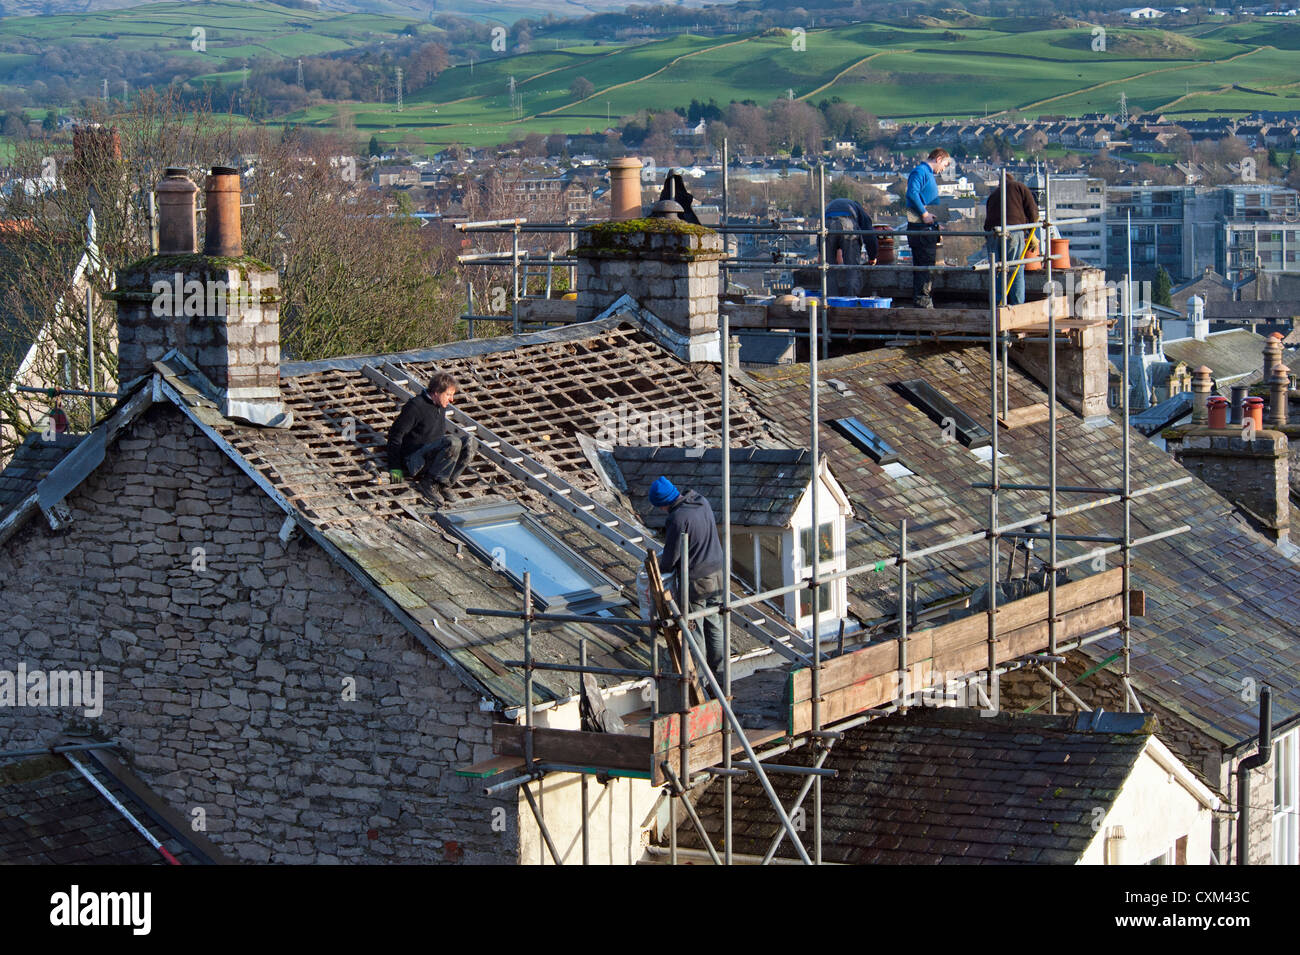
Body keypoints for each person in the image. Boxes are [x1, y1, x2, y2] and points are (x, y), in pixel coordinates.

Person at [650, 476, 725, 683]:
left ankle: (698, 680)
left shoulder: (677, 518)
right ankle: (719, 677)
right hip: (718, 572)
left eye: (659, 507)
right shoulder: (701, 501)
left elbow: (670, 559)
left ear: (663, 503)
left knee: (696, 629)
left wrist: (659, 565)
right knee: (715, 623)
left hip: (697, 579)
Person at [386, 372, 478, 502]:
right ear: (436, 392)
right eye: (448, 395)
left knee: (470, 443)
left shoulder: (441, 405)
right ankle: (428, 484)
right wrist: (395, 471)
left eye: (452, 395)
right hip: (414, 461)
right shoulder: (415, 406)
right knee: (453, 442)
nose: (451, 399)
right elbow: (395, 437)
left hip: (432, 456)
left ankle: (443, 485)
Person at [905, 148, 952, 308]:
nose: (943, 169)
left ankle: (924, 303)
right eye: (945, 165)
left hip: (926, 229)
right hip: (921, 230)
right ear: (939, 158)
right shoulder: (920, 171)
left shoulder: (926, 173)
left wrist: (935, 221)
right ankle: (923, 306)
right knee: (925, 269)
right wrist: (925, 214)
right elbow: (912, 193)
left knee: (927, 268)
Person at [984, 174, 1040, 307]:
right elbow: (1033, 212)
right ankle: (1017, 307)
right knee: (1016, 269)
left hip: (993, 234)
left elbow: (987, 221)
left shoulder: (993, 195)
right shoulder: (1019, 187)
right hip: (1013, 232)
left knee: (996, 271)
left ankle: (997, 307)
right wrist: (1032, 234)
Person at [823, 197, 878, 298]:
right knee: (852, 267)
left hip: (826, 225)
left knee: (827, 268)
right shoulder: (858, 209)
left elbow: (822, 250)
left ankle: (830, 301)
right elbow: (870, 235)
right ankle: (850, 301)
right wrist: (872, 257)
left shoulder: (831, 205)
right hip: (848, 224)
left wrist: (821, 252)